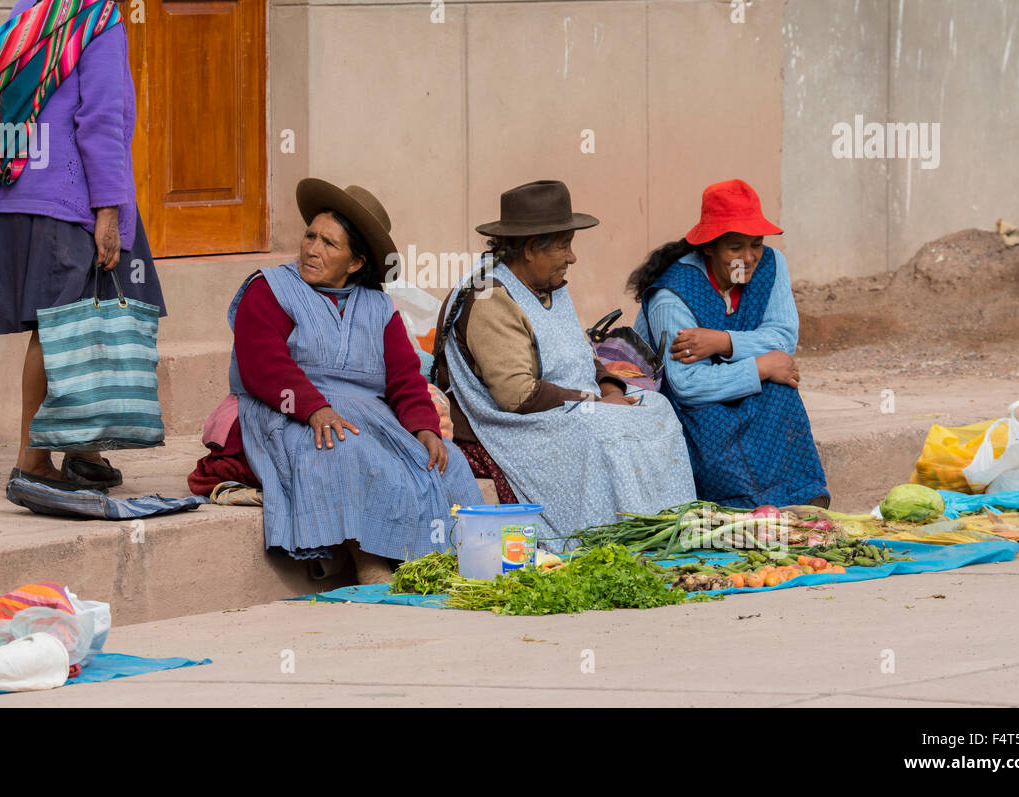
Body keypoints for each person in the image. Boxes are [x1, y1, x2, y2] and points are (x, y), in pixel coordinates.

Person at [0, 0, 168, 491]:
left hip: (22, 194)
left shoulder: (36, 8)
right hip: (70, 199)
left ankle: (81, 449)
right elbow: (101, 123)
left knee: (70, 324)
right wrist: (108, 212)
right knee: (62, 329)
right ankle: (33, 460)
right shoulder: (99, 17)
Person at [224, 179, 483, 584]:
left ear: (355, 263)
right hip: (289, 410)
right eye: (310, 235)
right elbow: (261, 364)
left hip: (371, 417)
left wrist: (425, 428)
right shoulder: (270, 288)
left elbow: (404, 377)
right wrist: (313, 408)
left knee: (445, 462)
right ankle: (371, 562)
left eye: (329, 244)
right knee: (346, 448)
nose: (311, 249)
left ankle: (457, 560)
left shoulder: (379, 307)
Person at [434, 180, 696, 543]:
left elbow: (581, 353)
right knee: (605, 428)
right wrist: (594, 403)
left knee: (657, 408)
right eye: (563, 245)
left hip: (571, 406)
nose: (572, 257)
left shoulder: (549, 285)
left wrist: (609, 388)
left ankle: (665, 529)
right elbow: (516, 396)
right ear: (529, 249)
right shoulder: (491, 298)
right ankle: (608, 538)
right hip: (515, 424)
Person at [629, 178, 830, 509]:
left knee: (781, 391)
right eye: (735, 247)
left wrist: (723, 342)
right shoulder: (672, 295)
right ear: (709, 246)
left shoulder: (773, 264)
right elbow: (687, 385)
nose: (748, 258)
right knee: (716, 419)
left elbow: (783, 337)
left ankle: (803, 501)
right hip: (691, 401)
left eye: (756, 244)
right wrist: (762, 365)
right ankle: (739, 510)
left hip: (735, 376)